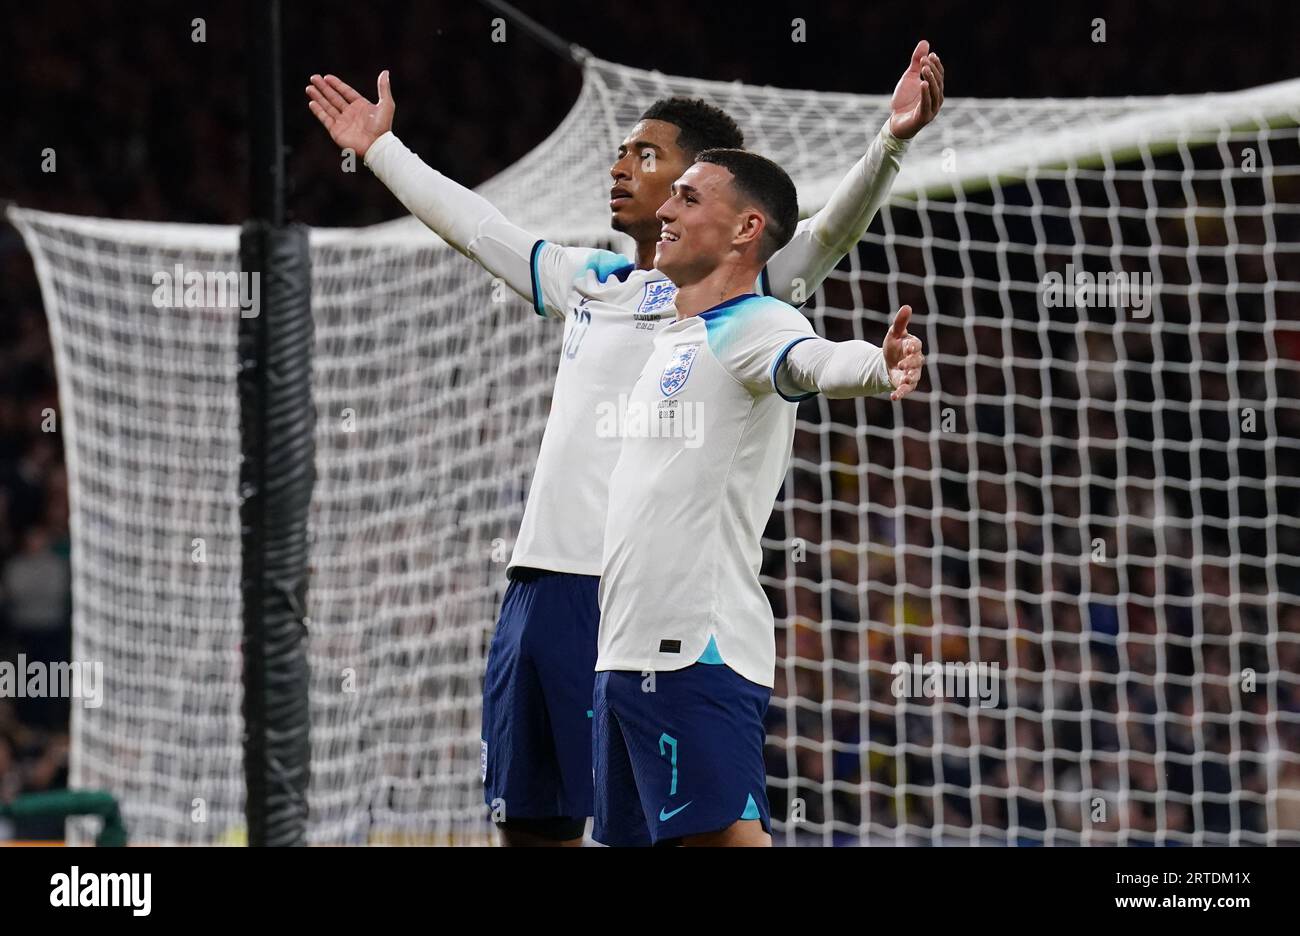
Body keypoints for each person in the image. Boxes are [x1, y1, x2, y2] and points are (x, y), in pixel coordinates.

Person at [305, 41, 943, 845]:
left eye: (652, 159)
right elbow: (477, 227)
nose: (626, 170)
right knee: (532, 824)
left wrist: (889, 145)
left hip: (624, 598)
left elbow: (825, 241)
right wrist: (382, 150)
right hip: (536, 592)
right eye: (625, 155)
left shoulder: (746, 300)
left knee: (658, 829)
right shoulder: (593, 282)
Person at [593, 149, 923, 846]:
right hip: (623, 656)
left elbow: (813, 360)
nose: (665, 210)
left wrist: (874, 364)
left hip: (691, 653)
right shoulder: (674, 336)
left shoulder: (757, 322)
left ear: (746, 229)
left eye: (687, 198)